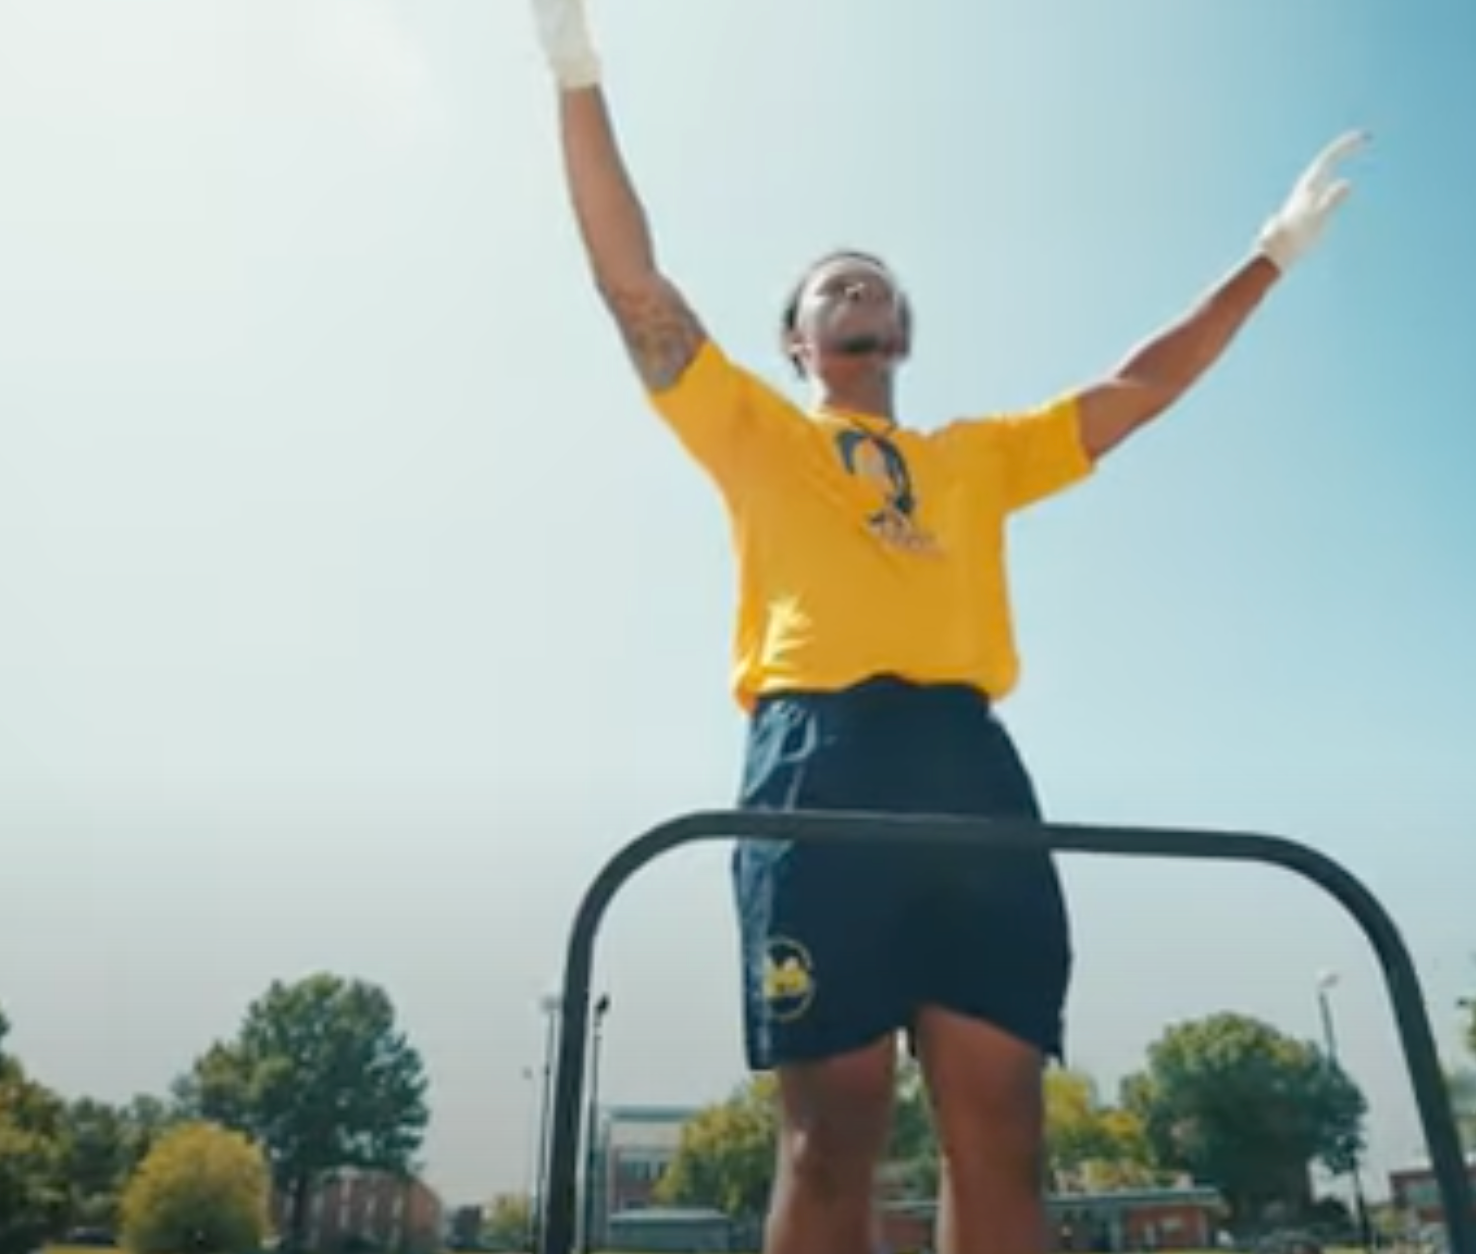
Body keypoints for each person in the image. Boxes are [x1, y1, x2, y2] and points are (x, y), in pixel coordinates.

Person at [529, 3, 1365, 1253]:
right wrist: (576, 71)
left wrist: (1270, 255)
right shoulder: (756, 432)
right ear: (797, 337)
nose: (859, 282)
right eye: (831, 283)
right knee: (832, 1138)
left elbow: (1139, 386)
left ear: (901, 331)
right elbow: (632, 287)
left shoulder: (977, 460)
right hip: (821, 761)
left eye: (877, 281)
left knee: (1006, 1128)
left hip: (971, 767)